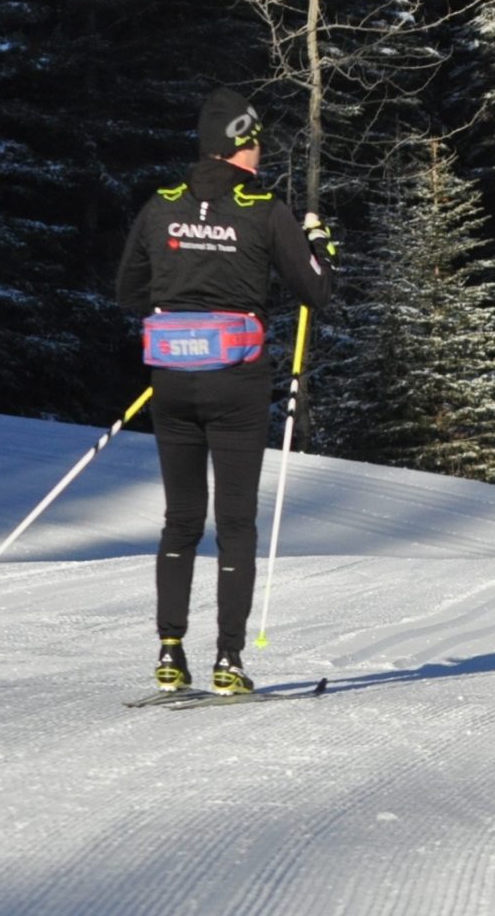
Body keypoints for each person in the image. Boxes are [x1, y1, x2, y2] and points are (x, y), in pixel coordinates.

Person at [116, 88, 336, 694]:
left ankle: (169, 650)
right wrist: (322, 249)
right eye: (256, 143)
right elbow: (316, 292)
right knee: (235, 522)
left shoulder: (160, 206)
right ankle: (229, 660)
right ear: (240, 146)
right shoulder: (265, 209)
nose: (260, 154)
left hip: (173, 378)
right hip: (236, 381)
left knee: (180, 518)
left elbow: (128, 291)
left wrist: (182, 289)